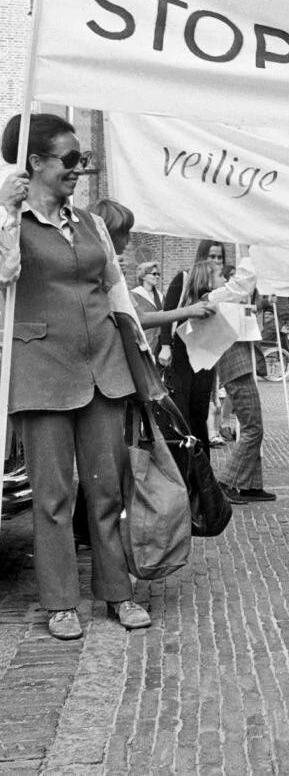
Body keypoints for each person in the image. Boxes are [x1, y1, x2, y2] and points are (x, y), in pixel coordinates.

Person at [0, 113, 149, 639]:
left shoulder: (92, 223)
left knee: (108, 490)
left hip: (103, 370)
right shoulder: (9, 221)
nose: (78, 170)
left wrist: (142, 355)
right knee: (53, 496)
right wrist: (6, 211)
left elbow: (115, 289)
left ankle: (118, 592)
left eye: (82, 160)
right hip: (41, 373)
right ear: (35, 164)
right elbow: (4, 275)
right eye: (69, 160)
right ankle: (61, 602)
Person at [208, 257, 273, 504]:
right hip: (237, 366)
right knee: (252, 427)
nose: (225, 279)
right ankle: (226, 483)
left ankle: (251, 485)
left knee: (252, 425)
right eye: (219, 275)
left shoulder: (221, 298)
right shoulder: (216, 297)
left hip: (242, 363)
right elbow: (241, 285)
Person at [159, 240, 225, 455]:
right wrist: (165, 346)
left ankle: (202, 468)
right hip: (181, 354)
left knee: (200, 410)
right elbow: (167, 314)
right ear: (201, 256)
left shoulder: (220, 288)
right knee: (182, 410)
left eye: (219, 257)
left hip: (205, 355)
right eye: (211, 256)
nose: (215, 261)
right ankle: (186, 466)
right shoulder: (185, 279)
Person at [131, 261, 163, 355]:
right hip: (144, 341)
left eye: (158, 274)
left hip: (159, 341)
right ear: (143, 276)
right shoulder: (134, 295)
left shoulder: (160, 296)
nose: (157, 276)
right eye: (154, 274)